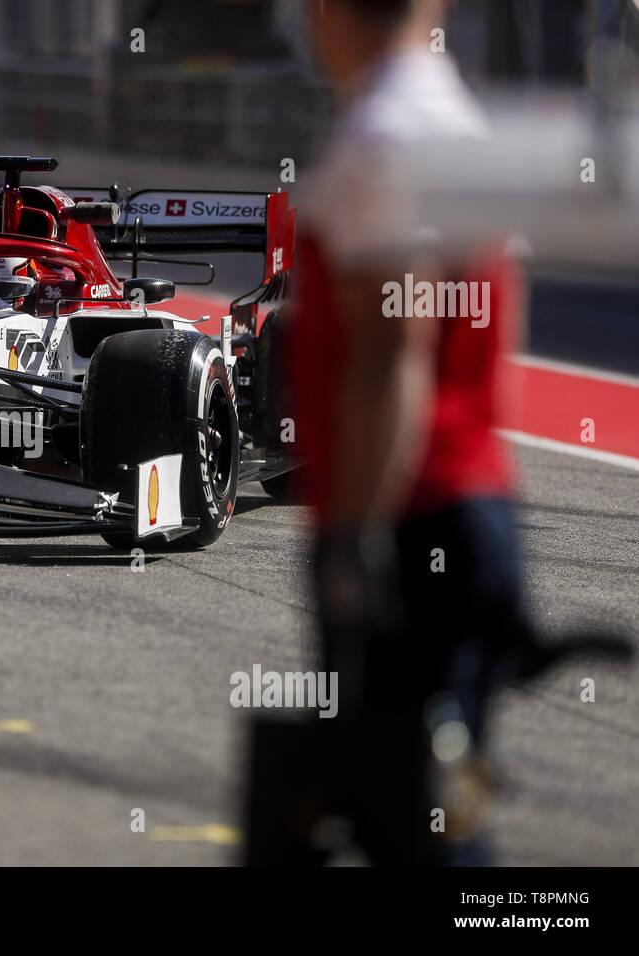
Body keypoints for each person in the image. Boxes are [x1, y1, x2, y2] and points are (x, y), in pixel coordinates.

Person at [246, 0, 526, 866]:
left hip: (408, 519)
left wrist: (354, 540)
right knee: (425, 812)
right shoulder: (453, 118)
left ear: (325, 13)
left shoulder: (384, 137)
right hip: (462, 501)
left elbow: (390, 357)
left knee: (410, 819)